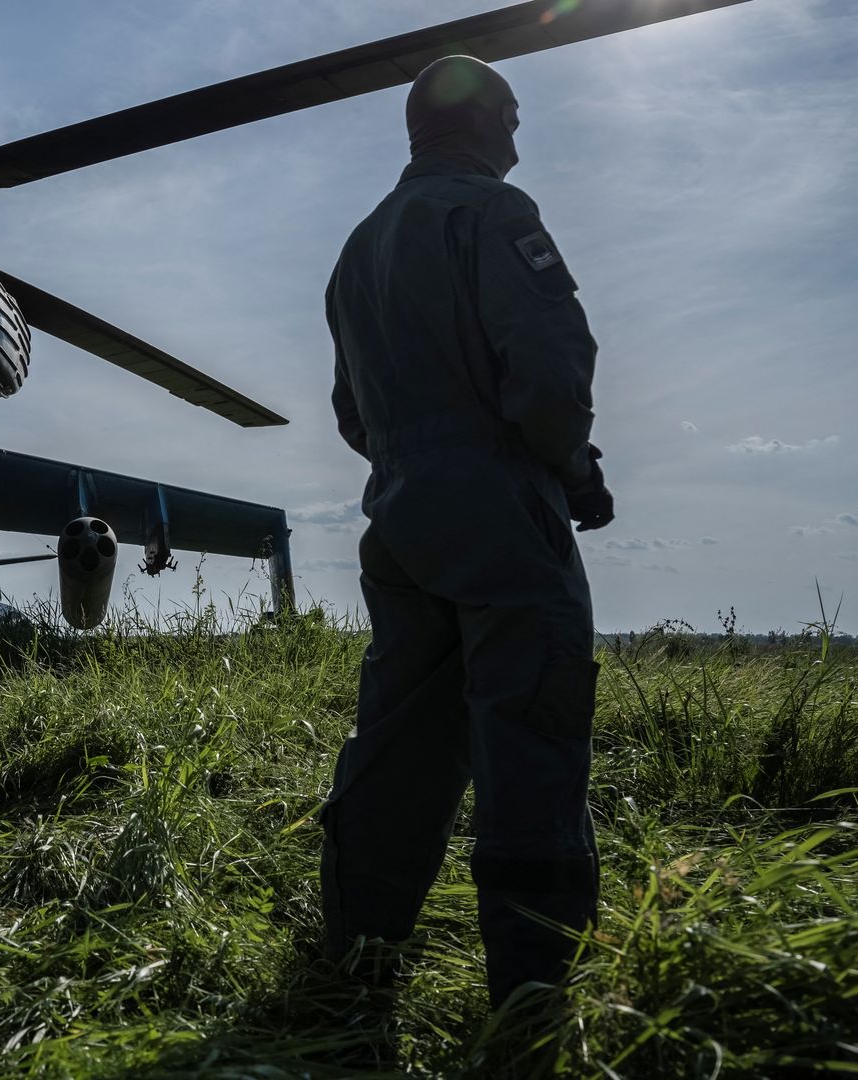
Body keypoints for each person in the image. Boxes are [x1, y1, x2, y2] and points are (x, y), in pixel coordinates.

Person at [319, 54, 616, 1008]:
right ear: (482, 121)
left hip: (400, 517)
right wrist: (572, 470)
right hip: (500, 509)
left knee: (399, 744)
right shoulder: (494, 215)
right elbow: (547, 367)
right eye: (514, 119)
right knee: (531, 736)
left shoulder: (358, 247)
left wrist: (413, 463)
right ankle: (532, 998)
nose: (520, 140)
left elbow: (349, 411)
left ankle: (357, 960)